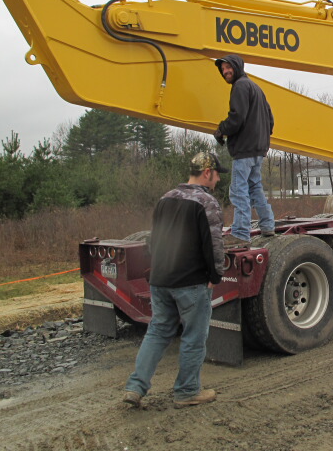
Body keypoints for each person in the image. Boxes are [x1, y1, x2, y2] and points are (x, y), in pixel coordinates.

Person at [122, 151, 227, 409]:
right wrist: (215, 275)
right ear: (206, 173)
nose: (217, 181)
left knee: (157, 332)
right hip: (191, 283)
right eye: (216, 175)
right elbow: (214, 244)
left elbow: (153, 239)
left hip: (160, 279)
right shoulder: (207, 203)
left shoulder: (165, 199)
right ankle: (187, 391)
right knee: (193, 336)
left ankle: (135, 387)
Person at [214, 54, 276, 245]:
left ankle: (240, 233)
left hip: (245, 150)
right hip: (258, 150)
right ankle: (267, 225)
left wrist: (221, 130)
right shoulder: (256, 88)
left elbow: (237, 117)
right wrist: (262, 139)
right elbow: (271, 119)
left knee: (238, 191)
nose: (225, 71)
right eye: (223, 69)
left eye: (228, 67)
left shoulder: (240, 86)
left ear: (237, 66)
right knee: (255, 187)